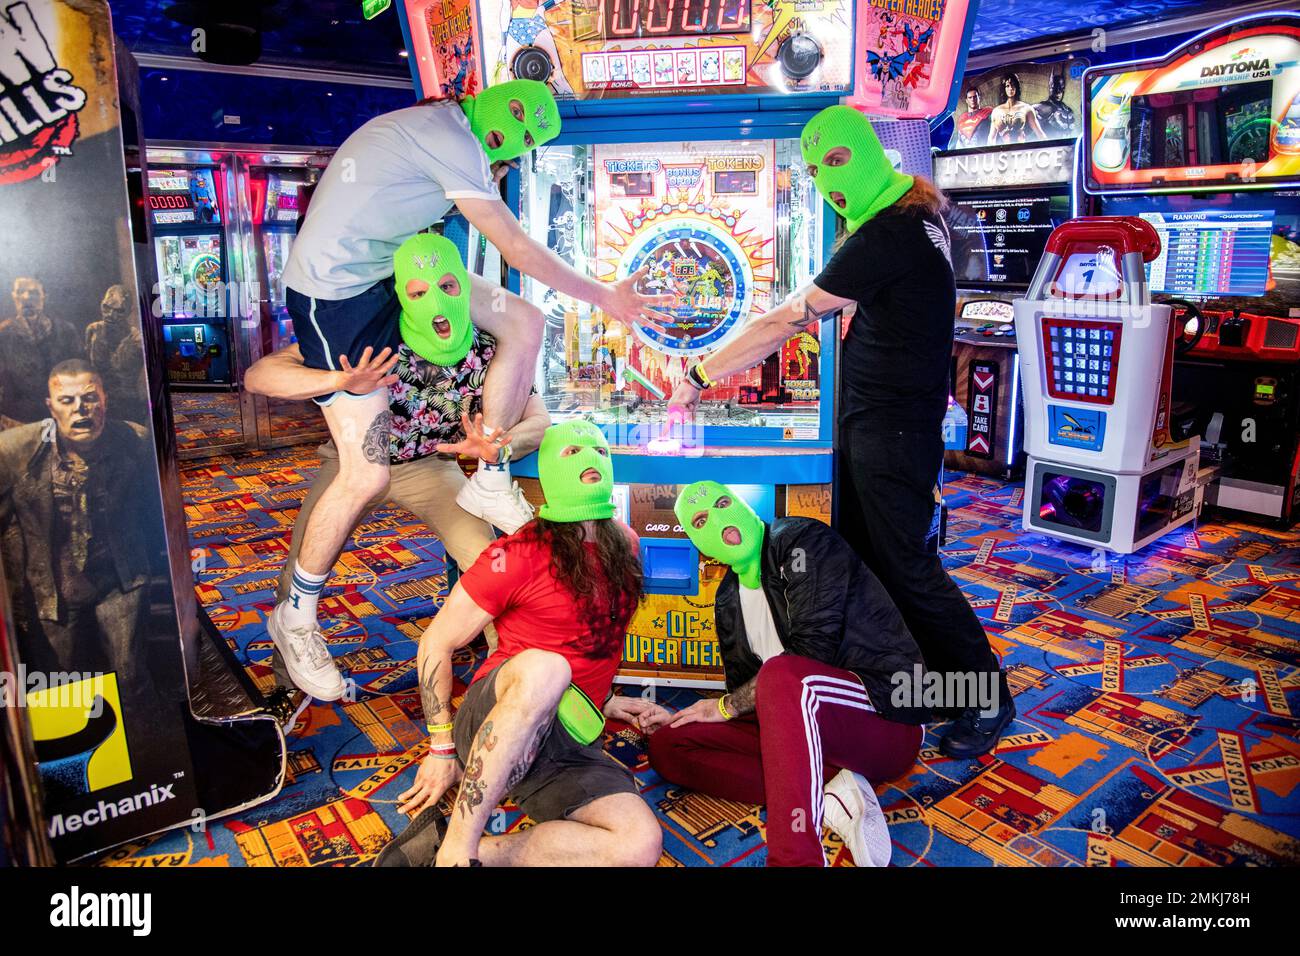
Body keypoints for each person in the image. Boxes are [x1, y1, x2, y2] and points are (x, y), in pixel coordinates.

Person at [273, 80, 669, 702]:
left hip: (388, 305)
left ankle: (488, 476)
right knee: (363, 476)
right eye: (504, 151)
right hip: (337, 296)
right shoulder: (447, 136)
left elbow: (507, 318)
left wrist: (490, 443)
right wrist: (607, 298)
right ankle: (295, 618)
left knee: (525, 320)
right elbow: (511, 243)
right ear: (500, 119)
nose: (502, 164)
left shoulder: (442, 142)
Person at [666, 105, 1014, 758]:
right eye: (816, 167)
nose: (828, 181)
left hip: (892, 431)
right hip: (883, 423)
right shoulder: (909, 215)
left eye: (836, 162)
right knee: (876, 559)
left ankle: (986, 694)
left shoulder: (887, 232)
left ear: (865, 156)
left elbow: (784, 323)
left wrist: (699, 370)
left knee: (908, 566)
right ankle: (923, 681)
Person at [244, 235, 551, 712]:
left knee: (492, 563)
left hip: (430, 467)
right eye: (419, 293)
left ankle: (508, 677)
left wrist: (500, 441)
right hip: (352, 466)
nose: (437, 303)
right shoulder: (374, 338)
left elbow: (539, 417)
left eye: (449, 286)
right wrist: (340, 381)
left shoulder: (491, 347)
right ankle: (290, 685)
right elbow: (258, 376)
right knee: (301, 571)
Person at [376, 420, 668, 867]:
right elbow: (435, 642)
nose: (592, 459)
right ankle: (457, 850)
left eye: (600, 452)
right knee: (547, 669)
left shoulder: (624, 542)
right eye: (573, 453)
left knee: (638, 845)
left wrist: (603, 701)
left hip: (568, 737)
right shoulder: (515, 555)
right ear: (551, 470)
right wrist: (440, 746)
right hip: (500, 711)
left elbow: (596, 635)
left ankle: (452, 848)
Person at [645, 481, 926, 867]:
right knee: (668, 744)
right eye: (701, 520)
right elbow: (752, 699)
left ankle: (796, 858)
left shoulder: (798, 543)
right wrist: (701, 714)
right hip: (801, 728)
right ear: (700, 545)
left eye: (724, 503)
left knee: (781, 675)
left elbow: (811, 654)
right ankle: (831, 790)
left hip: (885, 717)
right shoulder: (727, 598)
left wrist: (726, 706)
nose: (719, 520)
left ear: (743, 504)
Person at [0, 361, 157, 692]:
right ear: (50, 407)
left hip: (119, 578)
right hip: (52, 588)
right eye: (66, 401)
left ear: (105, 399)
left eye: (89, 398)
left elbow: (152, 506)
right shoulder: (17, 451)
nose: (81, 410)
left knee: (130, 675)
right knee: (59, 682)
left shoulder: (134, 440)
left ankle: (141, 733)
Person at [0, 277, 84, 423]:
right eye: (20, 292)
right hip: (17, 419)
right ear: (13, 296)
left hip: (63, 415)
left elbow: (81, 376)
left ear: (44, 296)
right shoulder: (3, 334)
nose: (26, 298)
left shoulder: (66, 331)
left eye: (33, 293)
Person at [988, 72, 1046, 144]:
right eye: (1008, 86)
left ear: (1016, 87)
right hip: (1004, 152)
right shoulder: (996, 111)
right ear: (1004, 88)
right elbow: (991, 139)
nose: (1011, 88)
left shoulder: (1026, 108)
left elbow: (1040, 135)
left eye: (1013, 85)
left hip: (1022, 150)